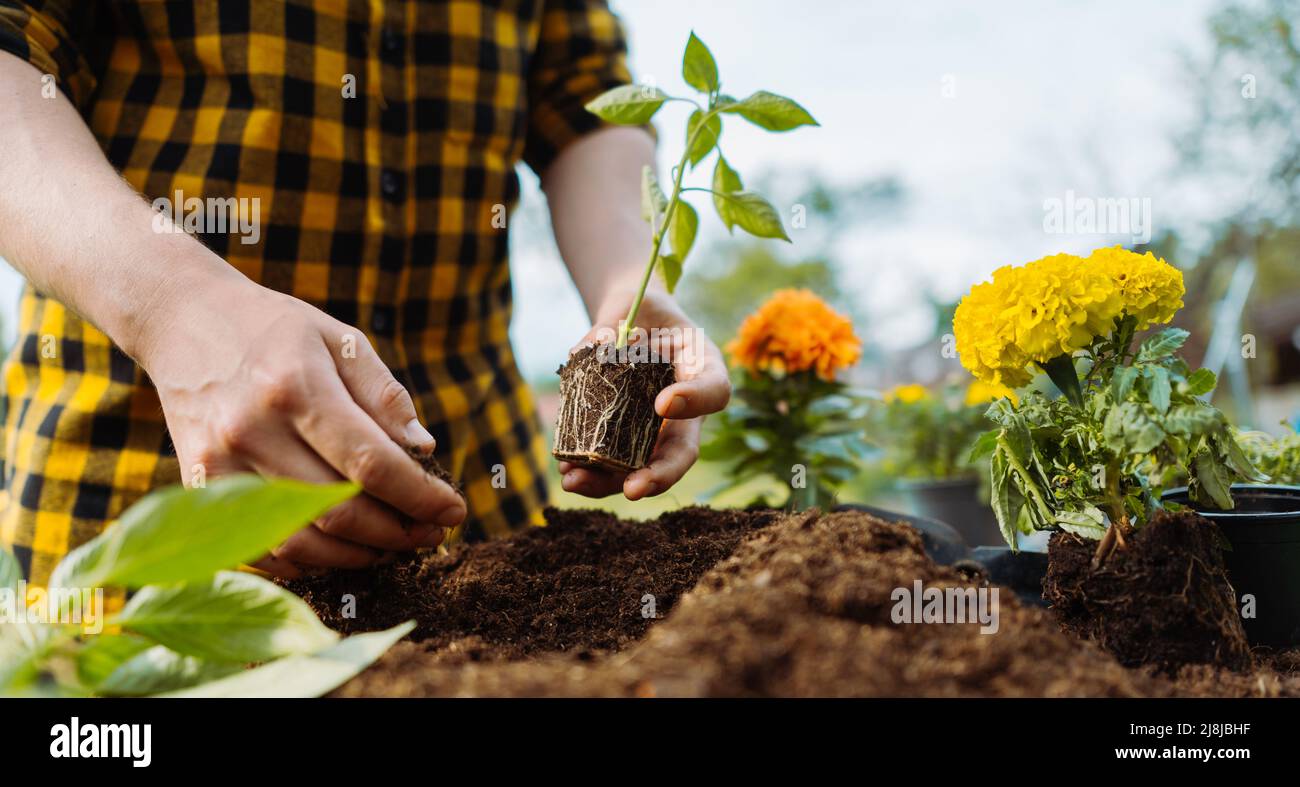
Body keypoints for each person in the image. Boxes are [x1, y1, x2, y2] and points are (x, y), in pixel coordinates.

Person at [0, 0, 729, 585]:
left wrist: (631, 288)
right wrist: (174, 308)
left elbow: (588, 108)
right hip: (142, 513)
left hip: (487, 534)